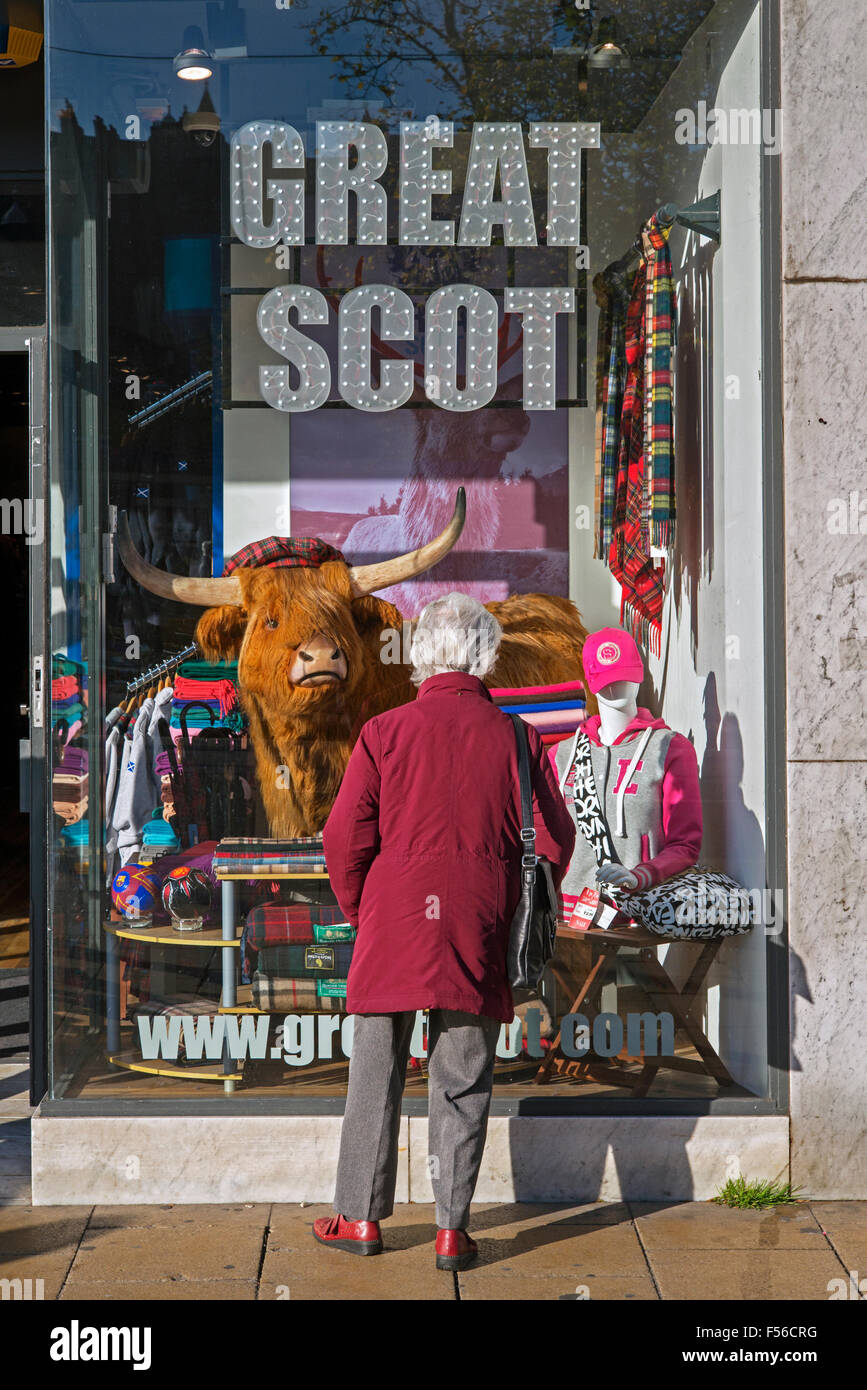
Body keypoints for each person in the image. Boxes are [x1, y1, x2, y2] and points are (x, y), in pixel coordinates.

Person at [316, 592, 576, 1270]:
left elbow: (343, 837)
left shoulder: (384, 731)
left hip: (393, 917)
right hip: (478, 921)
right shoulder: (520, 738)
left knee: (373, 1071)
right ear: (487, 657)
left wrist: (357, 907)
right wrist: (516, 901)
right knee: (462, 1075)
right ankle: (451, 1229)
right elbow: (555, 837)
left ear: (420, 656)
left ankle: (360, 1220)